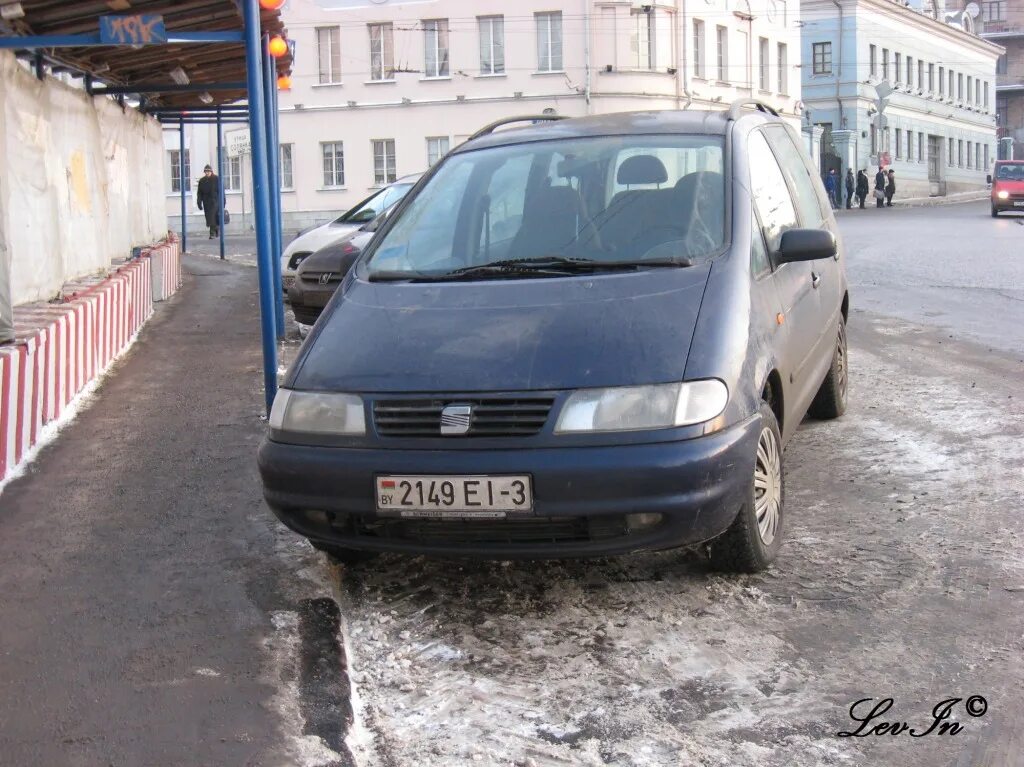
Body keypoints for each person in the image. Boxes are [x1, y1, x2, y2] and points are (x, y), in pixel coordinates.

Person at [196, 165, 221, 239]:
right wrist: (199, 202)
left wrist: (223, 201)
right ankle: (216, 229)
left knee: (212, 217)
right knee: (209, 218)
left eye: (208, 171)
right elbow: (199, 193)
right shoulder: (202, 180)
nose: (207, 173)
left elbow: (221, 191)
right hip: (206, 202)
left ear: (211, 171)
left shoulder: (216, 179)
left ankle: (212, 233)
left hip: (215, 201)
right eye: (206, 171)